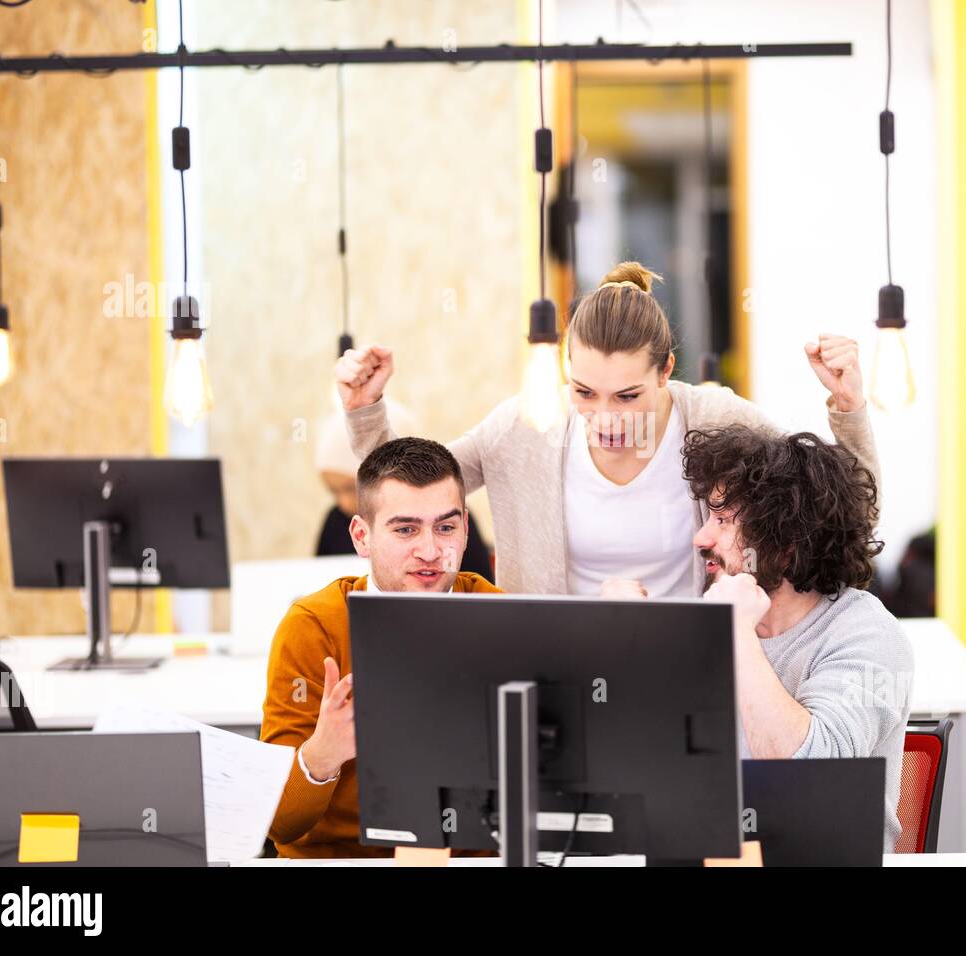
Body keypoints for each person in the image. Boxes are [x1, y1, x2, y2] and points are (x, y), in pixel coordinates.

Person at [335, 261, 880, 596]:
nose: (605, 418)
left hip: (696, 675)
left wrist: (848, 406)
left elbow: (851, 511)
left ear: (666, 370)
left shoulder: (719, 422)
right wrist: (366, 411)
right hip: (554, 679)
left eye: (628, 395)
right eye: (584, 392)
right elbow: (401, 491)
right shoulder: (527, 426)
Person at [604, 423, 913, 850]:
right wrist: (614, 640)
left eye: (724, 520)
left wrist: (734, 631)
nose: (701, 537)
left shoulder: (865, 634)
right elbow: (628, 767)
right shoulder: (704, 626)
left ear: (786, 542)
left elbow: (808, 774)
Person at [261, 437, 500, 858]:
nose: (430, 551)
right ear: (361, 536)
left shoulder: (499, 616)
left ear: (465, 529)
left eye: (445, 528)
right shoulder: (313, 628)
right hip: (341, 860)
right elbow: (280, 822)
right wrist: (320, 757)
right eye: (405, 529)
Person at [311, 404, 493, 581]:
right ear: (360, 534)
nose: (344, 502)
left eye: (350, 488)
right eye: (334, 491)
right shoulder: (335, 522)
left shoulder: (450, 516)